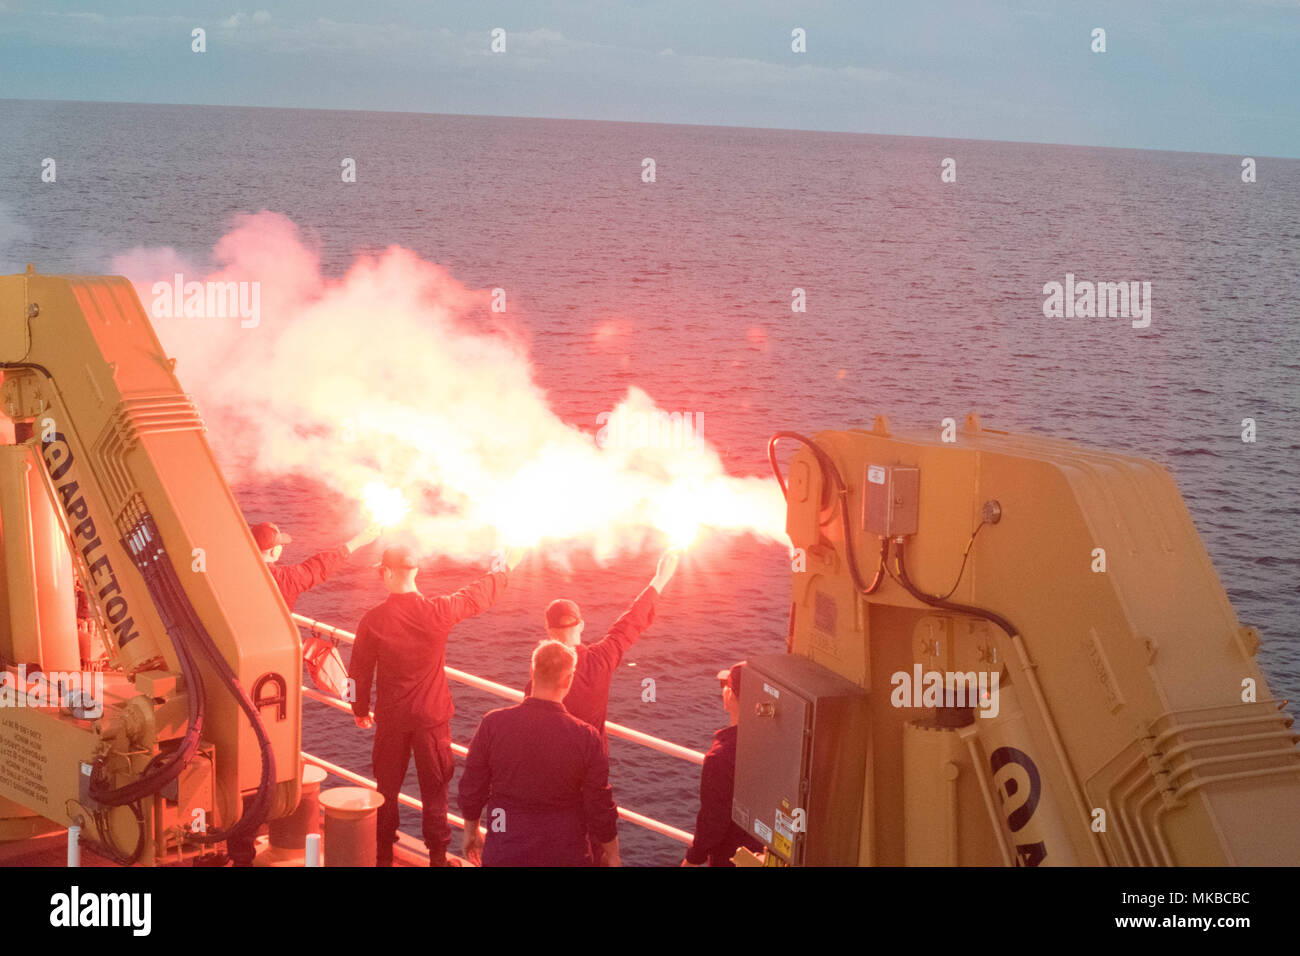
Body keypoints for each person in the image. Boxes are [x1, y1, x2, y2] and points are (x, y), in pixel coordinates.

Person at [350, 544, 523, 867]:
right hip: (432, 720)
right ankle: (438, 858)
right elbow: (477, 596)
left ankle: (383, 855)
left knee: (385, 791)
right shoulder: (437, 611)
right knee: (435, 794)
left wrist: (358, 709)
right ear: (415, 572)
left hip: (391, 721)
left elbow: (356, 673)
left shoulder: (372, 620)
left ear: (386, 573)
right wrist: (503, 570)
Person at [459, 641, 619, 867]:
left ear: (531, 672)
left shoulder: (493, 724)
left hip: (504, 846)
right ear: (568, 680)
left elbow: (473, 786)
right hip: (565, 852)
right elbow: (599, 804)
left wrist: (470, 831)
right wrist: (612, 853)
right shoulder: (587, 737)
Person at [523, 547, 681, 748]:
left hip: (547, 762)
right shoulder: (601, 659)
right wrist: (659, 580)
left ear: (549, 629)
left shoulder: (541, 671)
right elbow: (629, 623)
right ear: (581, 625)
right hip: (588, 763)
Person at [681, 661, 765, 867]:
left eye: (725, 685)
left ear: (732, 695)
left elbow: (713, 820)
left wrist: (692, 859)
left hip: (732, 857)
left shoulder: (721, 757)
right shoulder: (772, 742)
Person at [251, 520, 381, 610]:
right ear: (273, 550)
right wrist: (359, 541)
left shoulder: (238, 572)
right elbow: (318, 567)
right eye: (282, 545)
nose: (283, 547)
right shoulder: (285, 580)